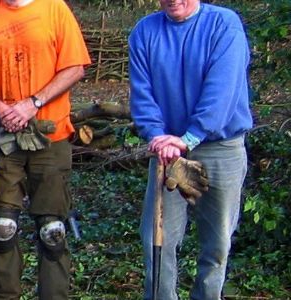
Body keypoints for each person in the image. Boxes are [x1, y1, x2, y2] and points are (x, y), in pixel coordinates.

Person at [0, 0, 91, 298]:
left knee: (52, 229)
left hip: (50, 134)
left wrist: (33, 103)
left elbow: (74, 68)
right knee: (3, 225)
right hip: (3, 137)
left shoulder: (55, 9)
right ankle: (6, 294)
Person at [128, 0, 253, 298]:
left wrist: (191, 136)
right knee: (156, 240)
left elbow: (222, 90)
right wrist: (157, 135)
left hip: (219, 147)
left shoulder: (224, 25)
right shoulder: (145, 31)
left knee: (217, 242)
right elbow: (142, 94)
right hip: (168, 151)